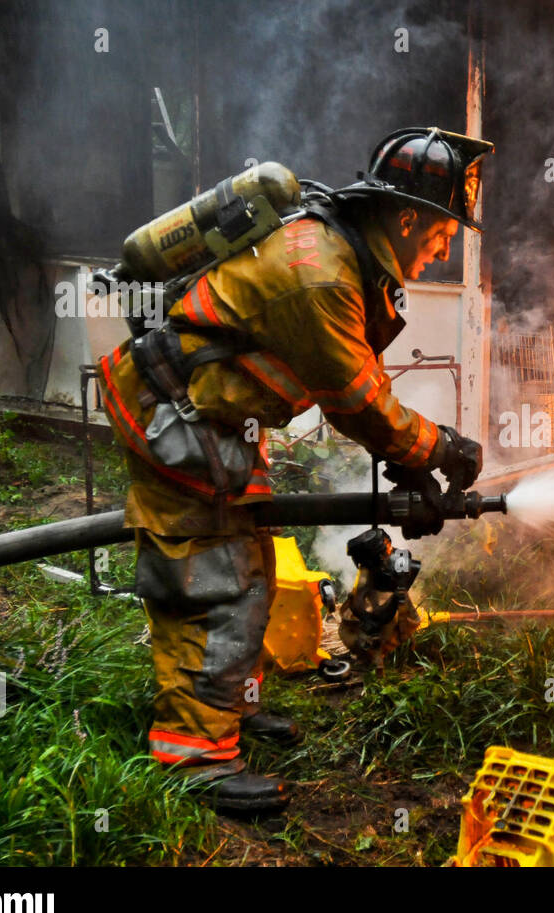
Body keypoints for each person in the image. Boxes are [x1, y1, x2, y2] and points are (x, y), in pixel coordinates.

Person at [96, 128, 491, 812]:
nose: (442, 250)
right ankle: (194, 758)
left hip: (211, 422)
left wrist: (414, 469)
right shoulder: (322, 276)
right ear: (405, 219)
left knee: (250, 566)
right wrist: (440, 449)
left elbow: (361, 386)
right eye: (439, 234)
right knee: (211, 577)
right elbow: (358, 401)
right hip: (174, 414)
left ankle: (232, 706)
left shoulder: (340, 257)